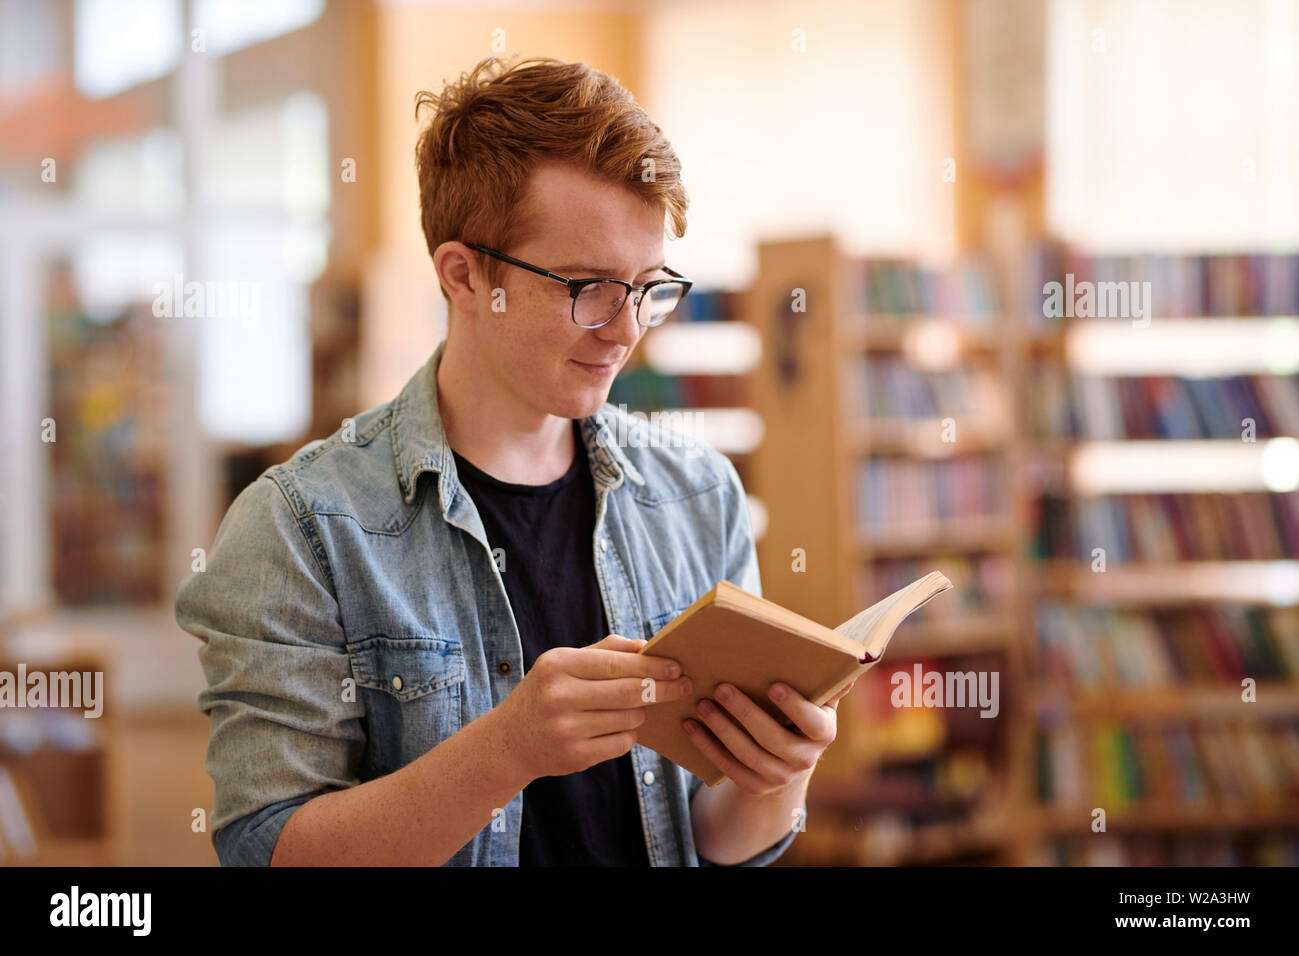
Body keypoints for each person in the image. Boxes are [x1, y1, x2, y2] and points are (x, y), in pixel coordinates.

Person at [176, 55, 849, 867]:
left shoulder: (697, 493)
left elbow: (715, 841)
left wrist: (780, 774)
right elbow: (267, 848)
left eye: (646, 286)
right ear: (464, 276)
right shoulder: (302, 528)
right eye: (587, 286)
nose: (627, 328)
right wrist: (507, 750)